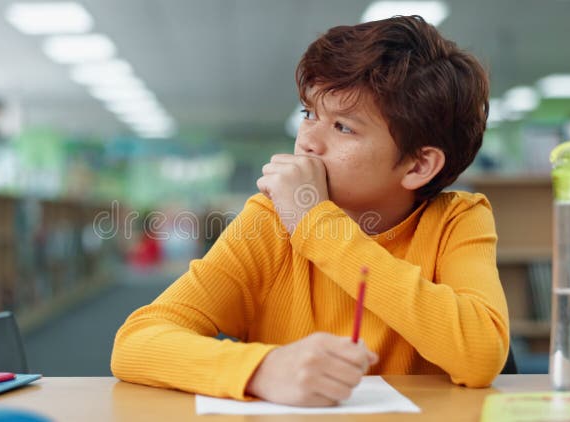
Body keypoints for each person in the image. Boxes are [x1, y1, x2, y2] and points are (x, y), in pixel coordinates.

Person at [111, 15, 509, 407]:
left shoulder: (458, 219)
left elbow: (480, 354)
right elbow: (136, 341)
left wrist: (316, 225)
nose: (308, 141)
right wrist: (263, 370)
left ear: (418, 166)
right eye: (309, 114)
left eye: (343, 128)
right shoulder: (268, 220)